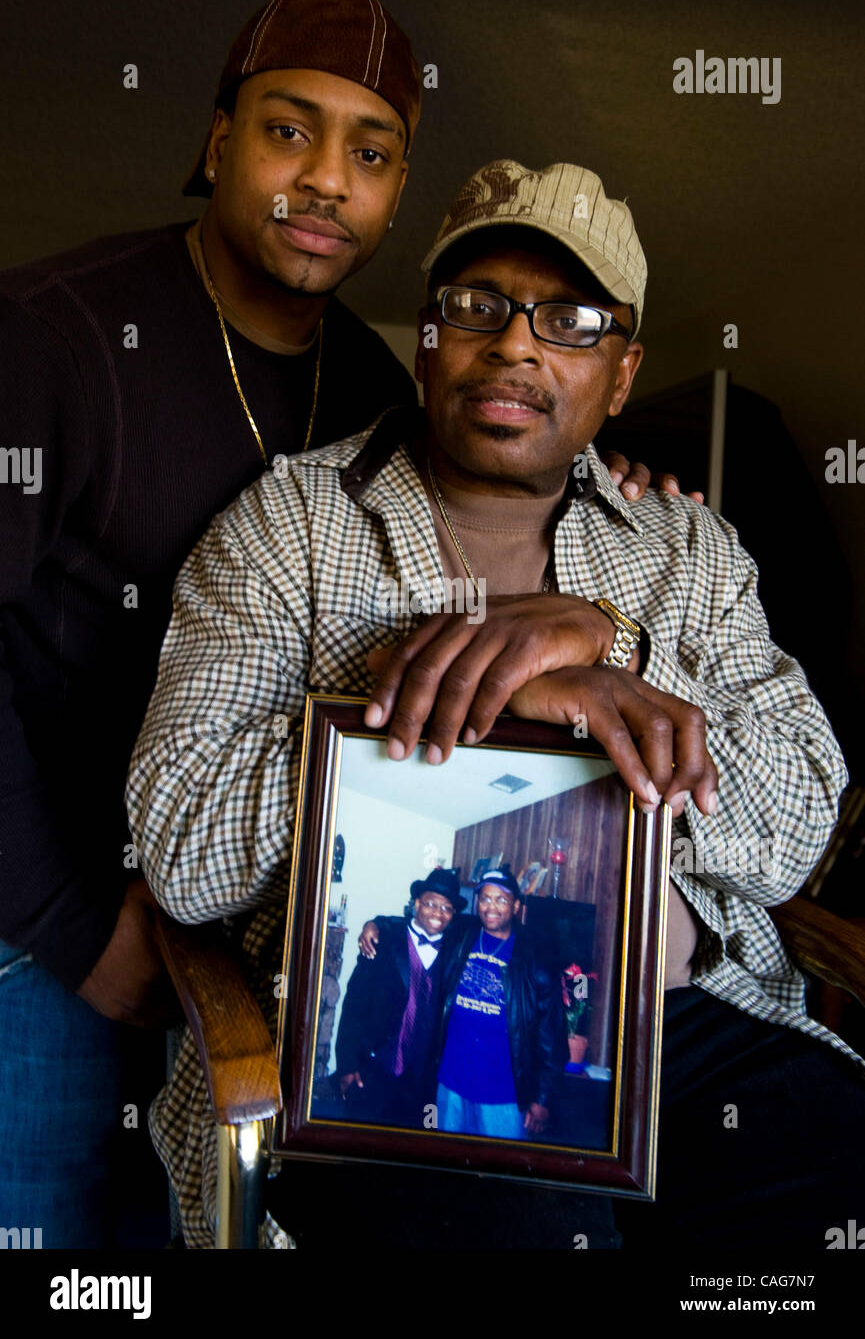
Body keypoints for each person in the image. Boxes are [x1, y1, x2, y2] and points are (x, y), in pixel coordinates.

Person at [127, 155, 859, 1251]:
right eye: (478, 306)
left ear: (620, 376)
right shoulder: (289, 527)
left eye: (569, 319)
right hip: (383, 1054)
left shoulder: (690, 552)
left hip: (690, 1030)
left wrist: (625, 650)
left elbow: (800, 819)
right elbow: (179, 839)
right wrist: (469, 686)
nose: (515, 342)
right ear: (427, 339)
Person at [0, 0, 421, 1247]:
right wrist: (80, 928)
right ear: (216, 142)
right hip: (36, 923)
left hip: (241, 935)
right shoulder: (50, 338)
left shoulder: (380, 392)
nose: (327, 181)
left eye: (372, 152)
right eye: (290, 130)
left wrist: (628, 489)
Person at [433, 871, 563, 1140]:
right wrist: (376, 925)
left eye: (501, 900)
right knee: (444, 1167)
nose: (491, 907)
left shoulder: (535, 959)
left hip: (504, 1096)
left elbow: (552, 1037)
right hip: (450, 1085)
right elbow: (416, 925)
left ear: (516, 907)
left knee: (500, 1174)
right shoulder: (460, 937)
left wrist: (543, 1099)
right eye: (485, 899)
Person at [333, 869, 465, 1128]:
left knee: (413, 1154)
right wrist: (347, 1065)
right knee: (360, 1149)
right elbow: (354, 1006)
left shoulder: (455, 953)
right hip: (372, 1068)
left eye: (447, 908)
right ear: (416, 904)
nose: (438, 913)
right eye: (430, 904)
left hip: (423, 1080)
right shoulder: (382, 941)